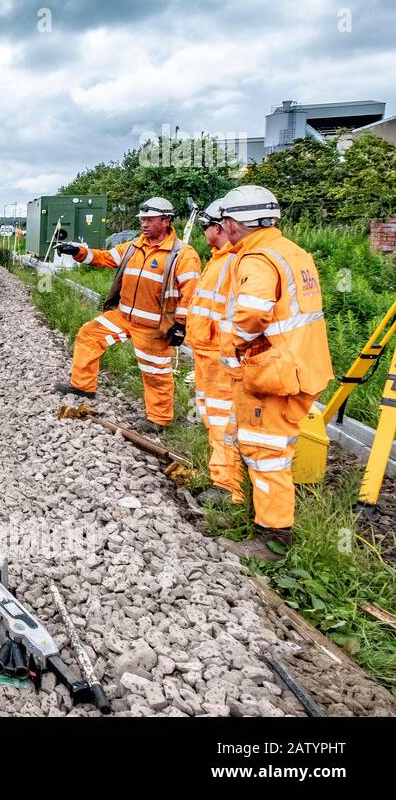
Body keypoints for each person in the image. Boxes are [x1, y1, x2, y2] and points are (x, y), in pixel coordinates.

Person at [217, 185, 332, 553]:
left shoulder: (257, 257)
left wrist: (233, 343)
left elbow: (252, 312)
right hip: (303, 365)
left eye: (227, 222)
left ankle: (274, 537)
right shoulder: (292, 252)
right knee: (262, 443)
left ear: (235, 224)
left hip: (276, 371)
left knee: (267, 452)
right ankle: (252, 511)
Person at [52, 197, 201, 432]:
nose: (144, 224)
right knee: (89, 335)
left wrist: (181, 325)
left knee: (155, 371)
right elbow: (105, 257)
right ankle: (82, 386)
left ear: (166, 221)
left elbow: (191, 293)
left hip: (155, 326)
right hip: (123, 317)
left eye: (149, 220)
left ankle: (159, 419)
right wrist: (78, 252)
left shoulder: (183, 255)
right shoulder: (133, 247)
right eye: (142, 220)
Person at [186, 198, 242, 505]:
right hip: (208, 352)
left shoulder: (234, 261)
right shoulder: (219, 258)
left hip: (222, 356)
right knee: (212, 416)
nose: (204, 232)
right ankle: (218, 476)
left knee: (222, 419)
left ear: (217, 227)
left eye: (206, 226)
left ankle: (227, 488)